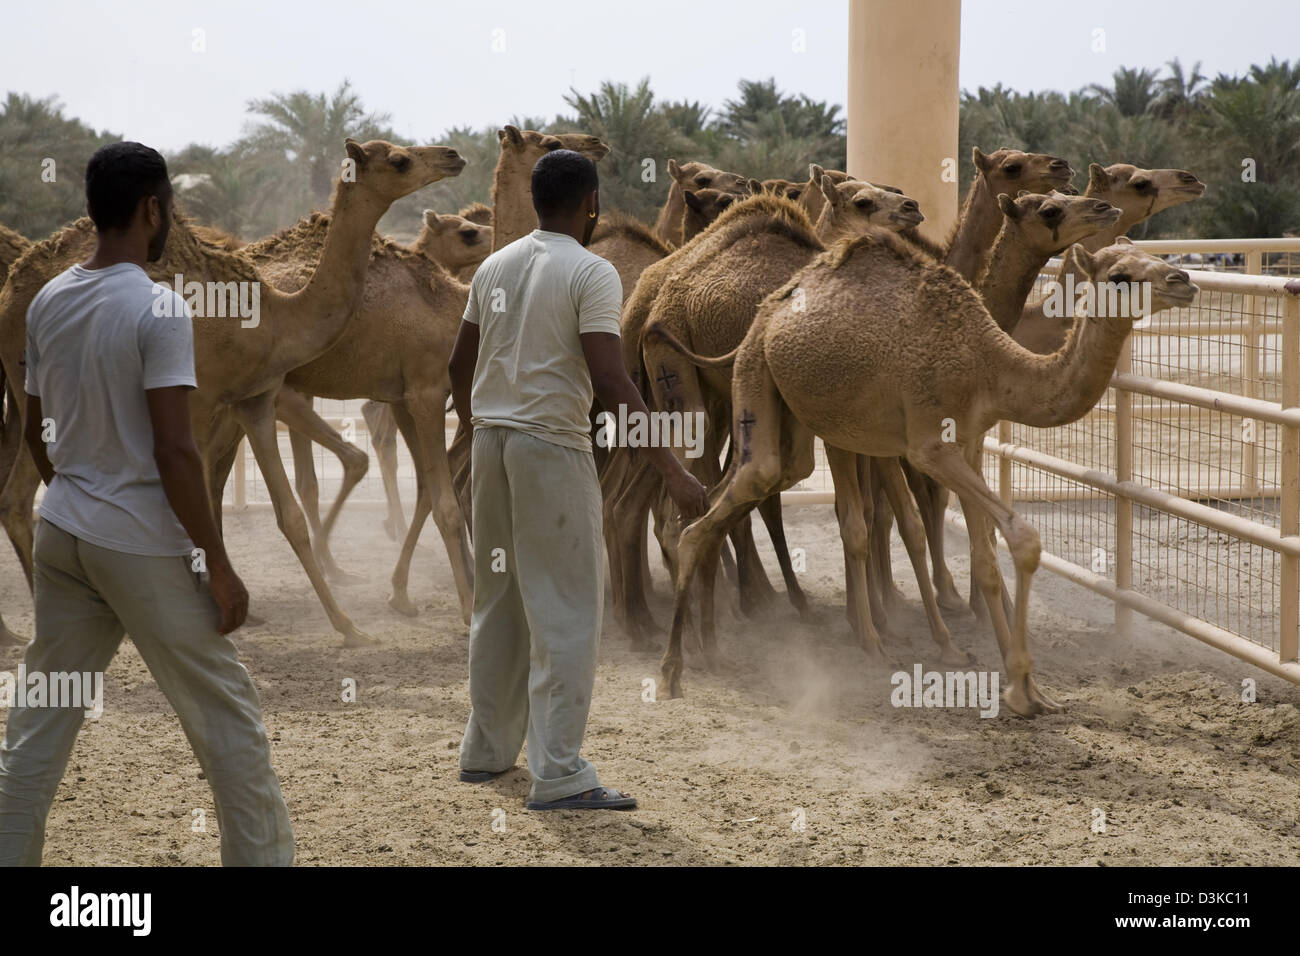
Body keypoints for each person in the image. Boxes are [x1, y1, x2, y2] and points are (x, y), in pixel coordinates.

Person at [0, 142, 294, 865]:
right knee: (230, 723)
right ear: (151, 209)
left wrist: (71, 484)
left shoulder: (49, 301)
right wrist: (216, 562)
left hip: (64, 533)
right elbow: (175, 450)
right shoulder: (158, 308)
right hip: (135, 542)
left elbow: (36, 426)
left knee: (38, 727)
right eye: (171, 209)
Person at [449, 149, 708, 811]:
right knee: (565, 606)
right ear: (590, 204)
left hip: (493, 446)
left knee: (498, 598)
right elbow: (613, 381)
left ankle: (485, 751)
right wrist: (673, 470)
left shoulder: (494, 266)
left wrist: (483, 422)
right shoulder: (591, 273)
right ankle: (559, 772)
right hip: (549, 449)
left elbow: (459, 364)